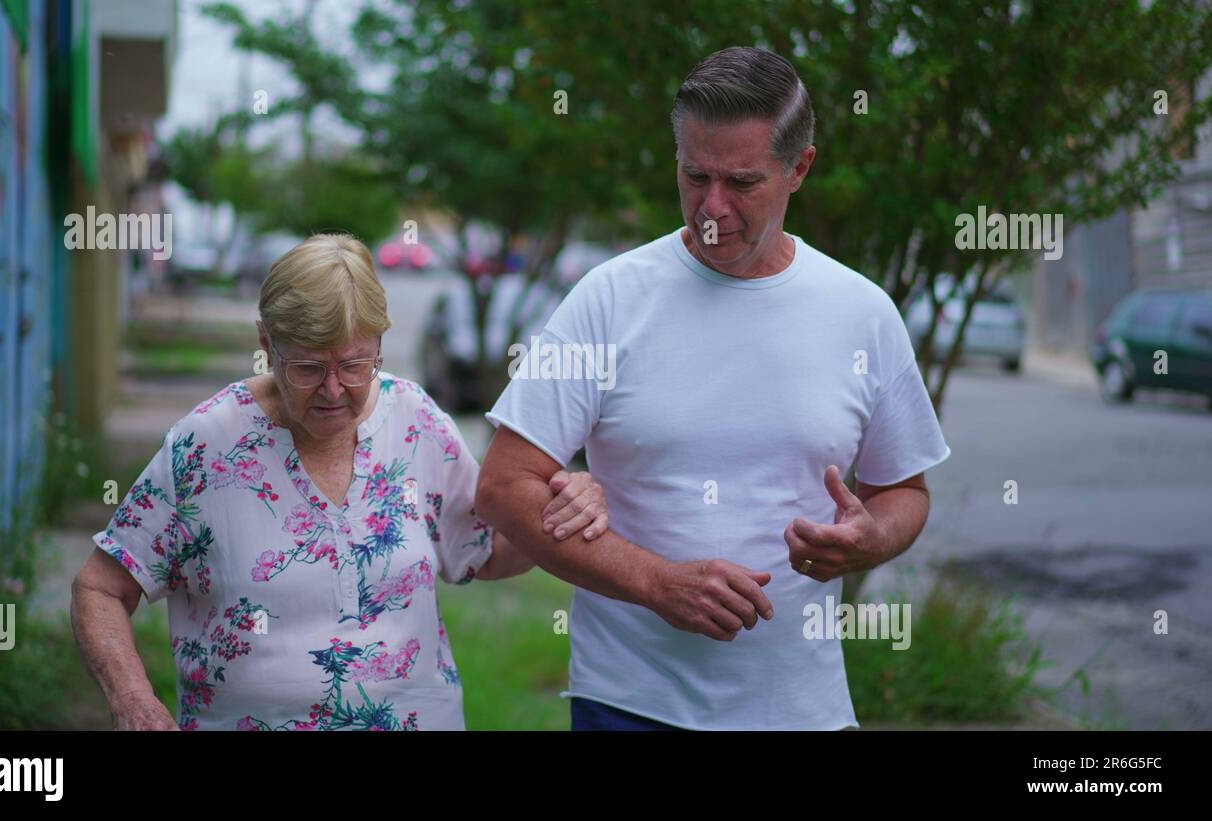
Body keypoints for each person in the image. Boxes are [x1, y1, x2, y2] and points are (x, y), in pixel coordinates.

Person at [475, 46, 951, 731]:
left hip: (803, 710)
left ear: (800, 169)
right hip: (629, 704)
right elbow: (504, 486)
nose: (712, 208)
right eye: (694, 175)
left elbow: (904, 491)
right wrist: (655, 583)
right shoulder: (607, 300)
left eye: (742, 182)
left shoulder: (862, 311)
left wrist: (872, 537)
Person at [72, 233, 610, 730]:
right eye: (307, 367)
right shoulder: (207, 445)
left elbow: (485, 551)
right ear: (266, 341)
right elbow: (100, 588)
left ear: (379, 342)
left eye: (355, 365)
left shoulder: (416, 421)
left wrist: (556, 511)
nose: (333, 390)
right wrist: (133, 699)